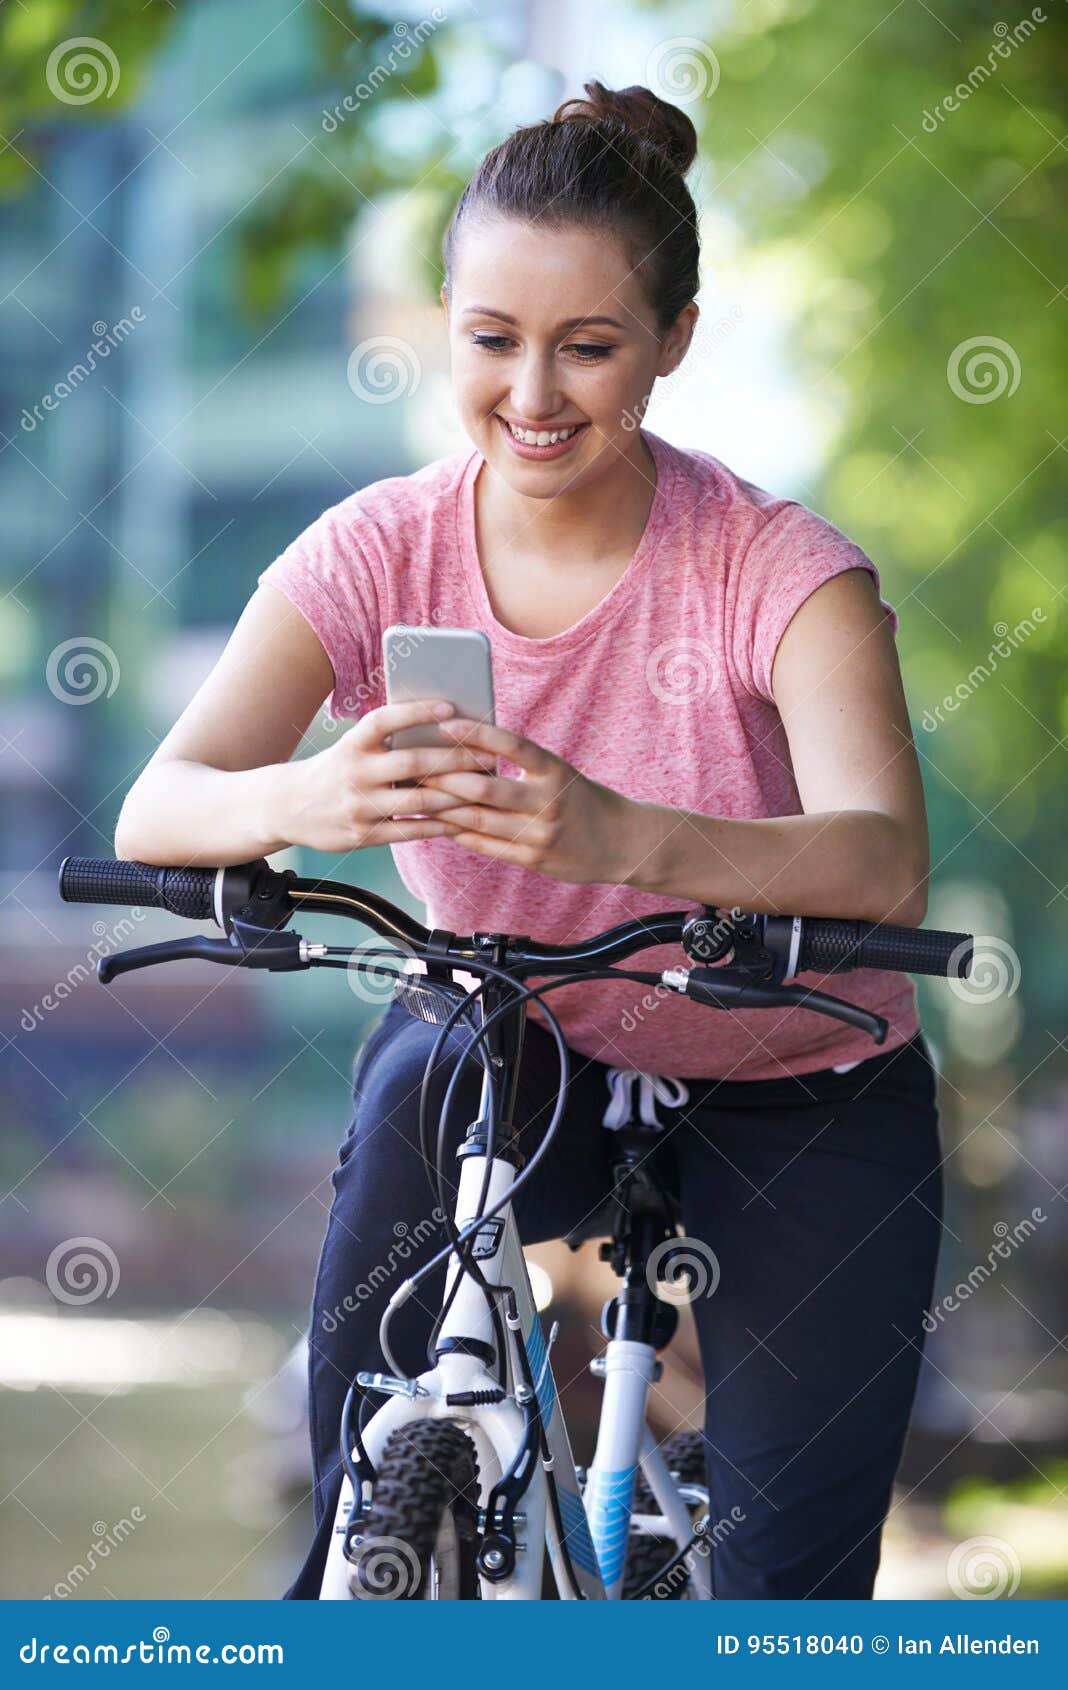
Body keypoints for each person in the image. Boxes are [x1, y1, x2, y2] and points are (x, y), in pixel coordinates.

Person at [115, 81, 941, 1600]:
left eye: (590, 344)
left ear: (675, 340)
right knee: (426, 1091)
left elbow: (885, 859)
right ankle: (373, 1562)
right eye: (492, 338)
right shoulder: (379, 548)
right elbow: (162, 803)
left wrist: (616, 832)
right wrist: (313, 798)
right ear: (444, 320)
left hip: (803, 1070)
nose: (533, 391)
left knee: (790, 1597)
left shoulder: (781, 568)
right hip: (524, 1045)